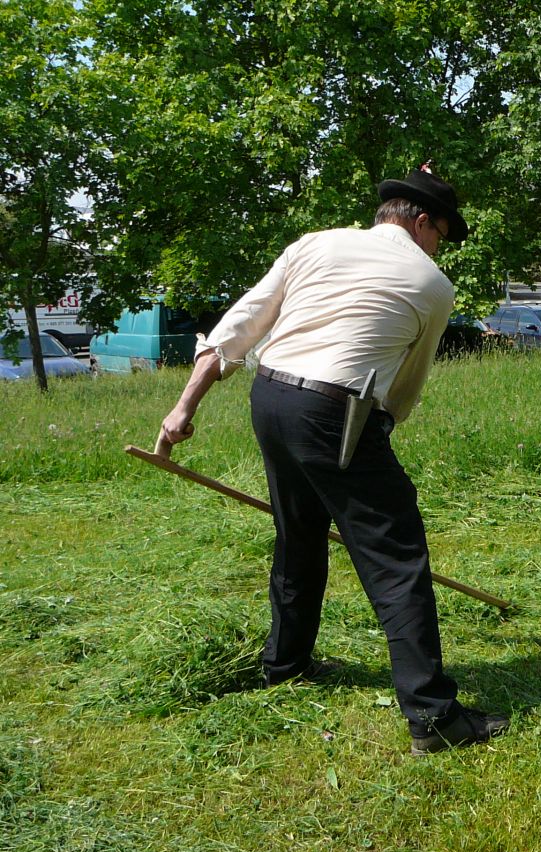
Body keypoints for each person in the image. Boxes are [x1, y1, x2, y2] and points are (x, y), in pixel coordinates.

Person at [159, 168, 508, 756]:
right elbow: (404, 387)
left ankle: (285, 665)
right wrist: (375, 432)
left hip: (269, 397)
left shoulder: (316, 243)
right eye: (440, 235)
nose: (437, 247)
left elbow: (241, 324)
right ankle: (433, 716)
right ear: (421, 222)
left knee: (298, 535)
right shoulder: (432, 283)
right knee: (396, 557)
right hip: (335, 411)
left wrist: (183, 406)